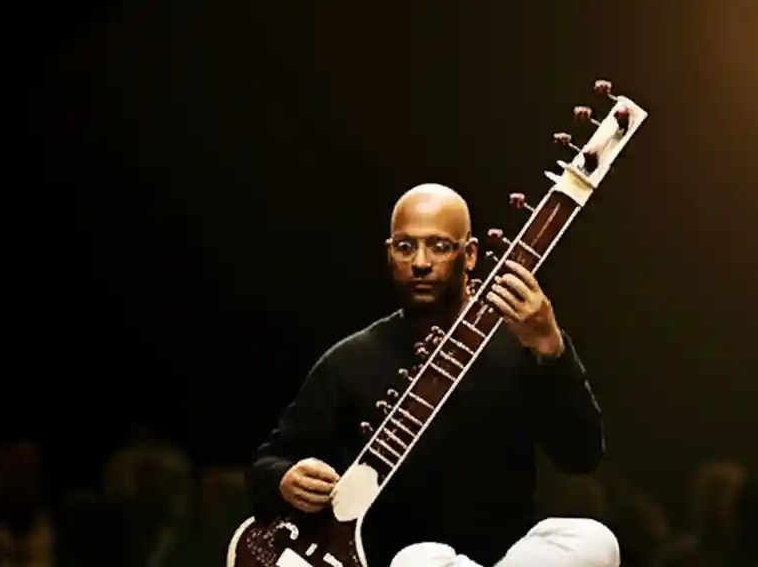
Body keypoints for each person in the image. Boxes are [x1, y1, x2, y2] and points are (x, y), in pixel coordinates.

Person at [245, 183, 619, 567]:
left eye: (439, 247)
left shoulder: (520, 346)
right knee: (422, 559)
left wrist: (551, 348)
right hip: (400, 562)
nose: (420, 262)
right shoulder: (349, 362)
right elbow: (267, 463)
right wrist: (284, 480)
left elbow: (581, 455)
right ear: (389, 254)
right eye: (405, 247)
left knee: (595, 541)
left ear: (470, 255)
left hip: (507, 556)